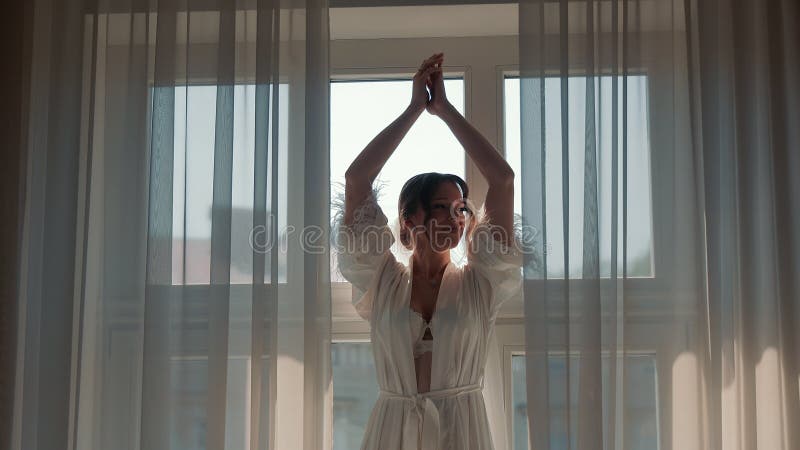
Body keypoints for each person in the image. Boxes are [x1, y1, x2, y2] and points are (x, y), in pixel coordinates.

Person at [334, 52, 523, 450]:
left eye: (460, 210)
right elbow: (356, 179)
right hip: (392, 432)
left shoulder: (480, 282)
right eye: (442, 207)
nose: (456, 219)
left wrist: (446, 111)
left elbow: (502, 179)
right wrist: (414, 110)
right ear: (410, 219)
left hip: (463, 433)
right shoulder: (381, 279)